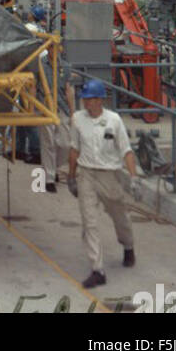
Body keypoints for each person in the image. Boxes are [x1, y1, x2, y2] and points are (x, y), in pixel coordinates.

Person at [68, 78, 139, 288]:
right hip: (87, 175)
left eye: (89, 100)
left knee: (120, 217)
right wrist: (71, 177)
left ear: (100, 100)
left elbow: (126, 151)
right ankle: (97, 269)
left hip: (110, 175)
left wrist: (134, 178)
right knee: (89, 222)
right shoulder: (78, 120)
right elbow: (74, 150)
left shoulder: (114, 120)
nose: (86, 104)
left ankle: (128, 246)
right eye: (84, 100)